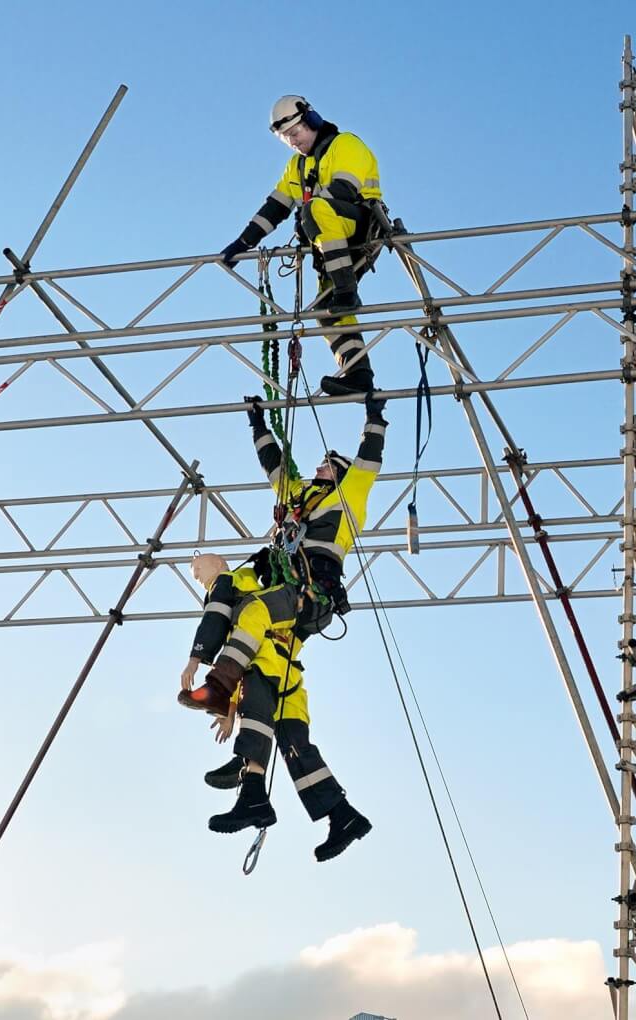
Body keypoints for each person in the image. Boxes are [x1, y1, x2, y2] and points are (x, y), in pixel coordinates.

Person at [178, 391, 386, 714]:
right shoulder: (299, 500)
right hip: (292, 591)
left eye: (327, 466)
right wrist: (258, 425)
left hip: (312, 594)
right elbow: (274, 467)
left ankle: (219, 689)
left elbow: (368, 458)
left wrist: (374, 418)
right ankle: (241, 707)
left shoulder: (348, 497)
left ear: (341, 475)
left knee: (255, 611)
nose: (318, 468)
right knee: (253, 625)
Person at [180, 553, 372, 861]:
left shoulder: (228, 584)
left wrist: (196, 657)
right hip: (287, 672)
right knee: (297, 748)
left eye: (199, 571)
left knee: (255, 716)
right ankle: (342, 814)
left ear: (217, 565)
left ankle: (252, 788)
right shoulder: (262, 596)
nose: (199, 578)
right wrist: (230, 713)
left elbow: (215, 617)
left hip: (265, 665)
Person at [219, 95, 385, 396]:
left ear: (312, 122)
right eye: (286, 139)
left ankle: (347, 290)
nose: (293, 142)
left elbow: (344, 192)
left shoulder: (346, 145)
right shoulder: (296, 166)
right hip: (330, 238)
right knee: (326, 308)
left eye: (295, 134)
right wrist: (243, 242)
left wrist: (307, 212)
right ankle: (358, 371)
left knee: (315, 209)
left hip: (358, 225)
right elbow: (275, 207)